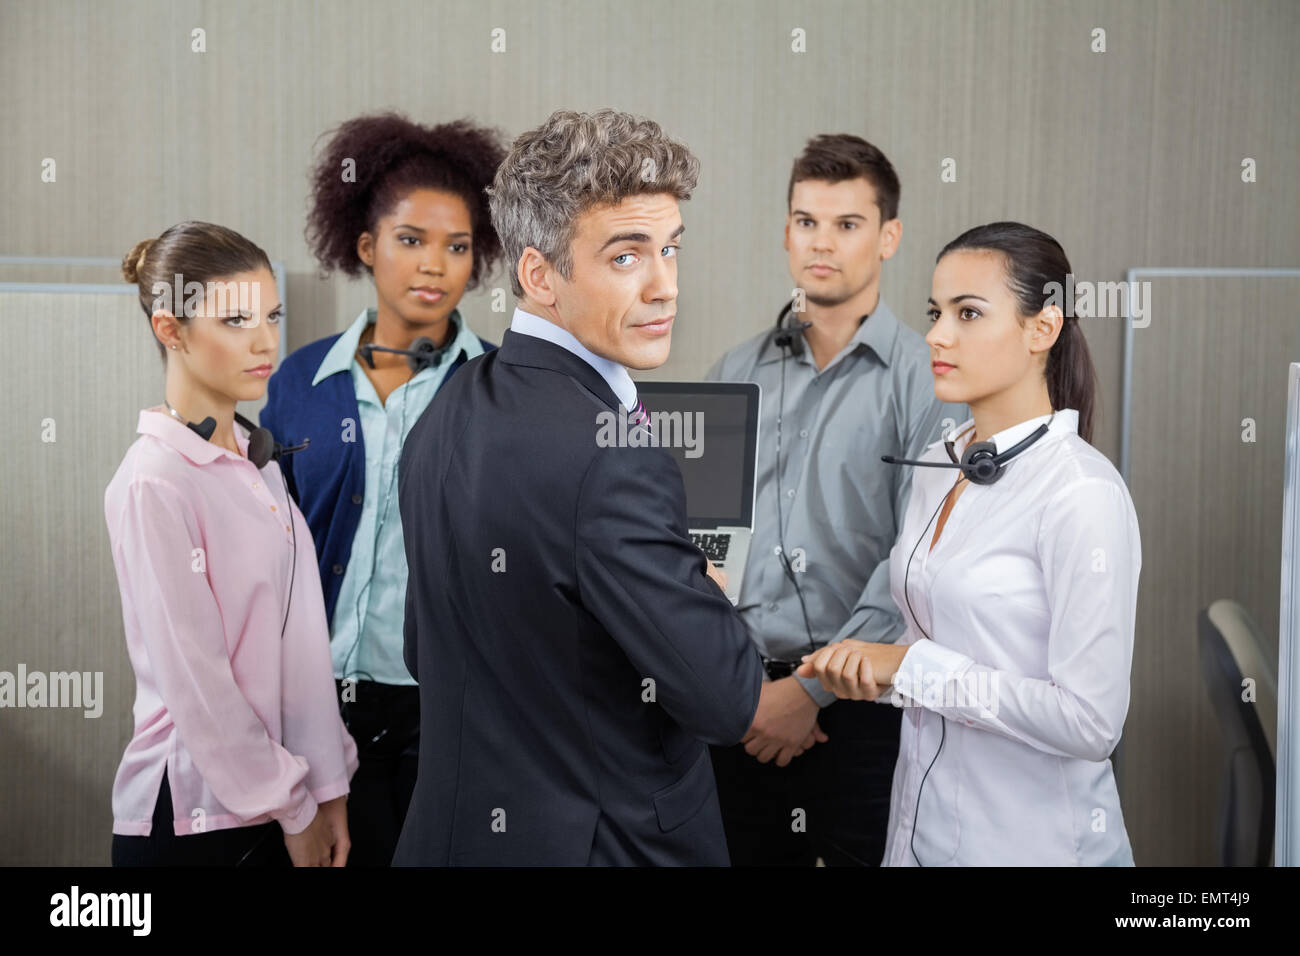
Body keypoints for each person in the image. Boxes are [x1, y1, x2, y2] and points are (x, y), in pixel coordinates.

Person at [393, 108, 763, 866]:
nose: (666, 288)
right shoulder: (618, 452)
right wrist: (701, 594)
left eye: (671, 250)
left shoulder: (441, 409)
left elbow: (424, 650)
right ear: (539, 274)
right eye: (627, 258)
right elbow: (726, 700)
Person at [798, 221, 1140, 866]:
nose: (936, 334)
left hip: (1028, 847)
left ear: (1043, 328)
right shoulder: (940, 463)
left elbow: (1091, 724)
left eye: (968, 313)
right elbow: (948, 638)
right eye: (935, 311)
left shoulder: (1081, 493)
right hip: (919, 833)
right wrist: (870, 668)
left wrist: (907, 667)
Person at [706, 134, 965, 866]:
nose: (822, 243)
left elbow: (918, 560)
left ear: (888, 237)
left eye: (847, 224)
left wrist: (809, 694)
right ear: (786, 231)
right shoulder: (733, 371)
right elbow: (703, 542)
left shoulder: (928, 379)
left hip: (863, 711)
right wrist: (740, 690)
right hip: (738, 704)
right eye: (806, 221)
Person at [258, 112, 507, 866]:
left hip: (451, 715)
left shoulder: (501, 389)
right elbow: (268, 554)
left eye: (457, 246)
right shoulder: (298, 383)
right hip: (312, 702)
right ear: (366, 247)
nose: (434, 264)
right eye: (411, 240)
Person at [106, 221, 357, 867]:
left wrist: (327, 789)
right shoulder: (153, 481)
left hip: (284, 799)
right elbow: (200, 685)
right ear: (172, 331)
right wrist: (295, 805)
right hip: (198, 818)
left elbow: (300, 648)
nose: (267, 340)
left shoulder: (258, 461)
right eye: (236, 320)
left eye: (271, 316)